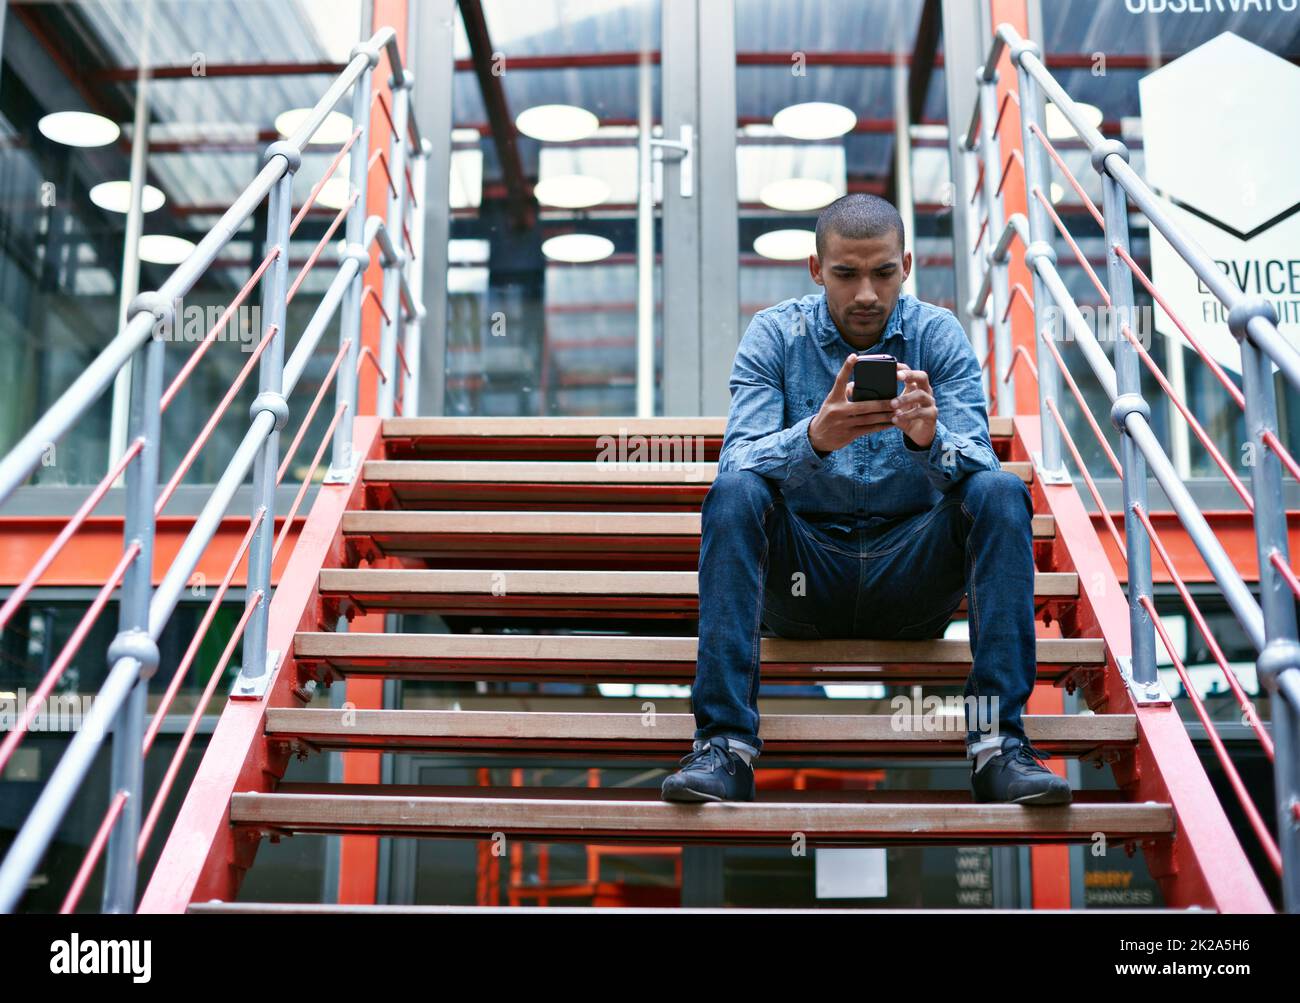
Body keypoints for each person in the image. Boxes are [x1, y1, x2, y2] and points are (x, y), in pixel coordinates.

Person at [660, 193, 1071, 806]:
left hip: (912, 579)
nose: (866, 296)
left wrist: (931, 441)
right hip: (804, 581)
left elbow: (982, 460)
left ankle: (997, 747)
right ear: (815, 268)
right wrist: (813, 440)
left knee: (1001, 491)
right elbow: (735, 463)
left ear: (905, 264)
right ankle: (725, 748)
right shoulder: (775, 335)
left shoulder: (938, 335)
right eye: (846, 274)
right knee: (736, 492)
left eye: (882, 273)